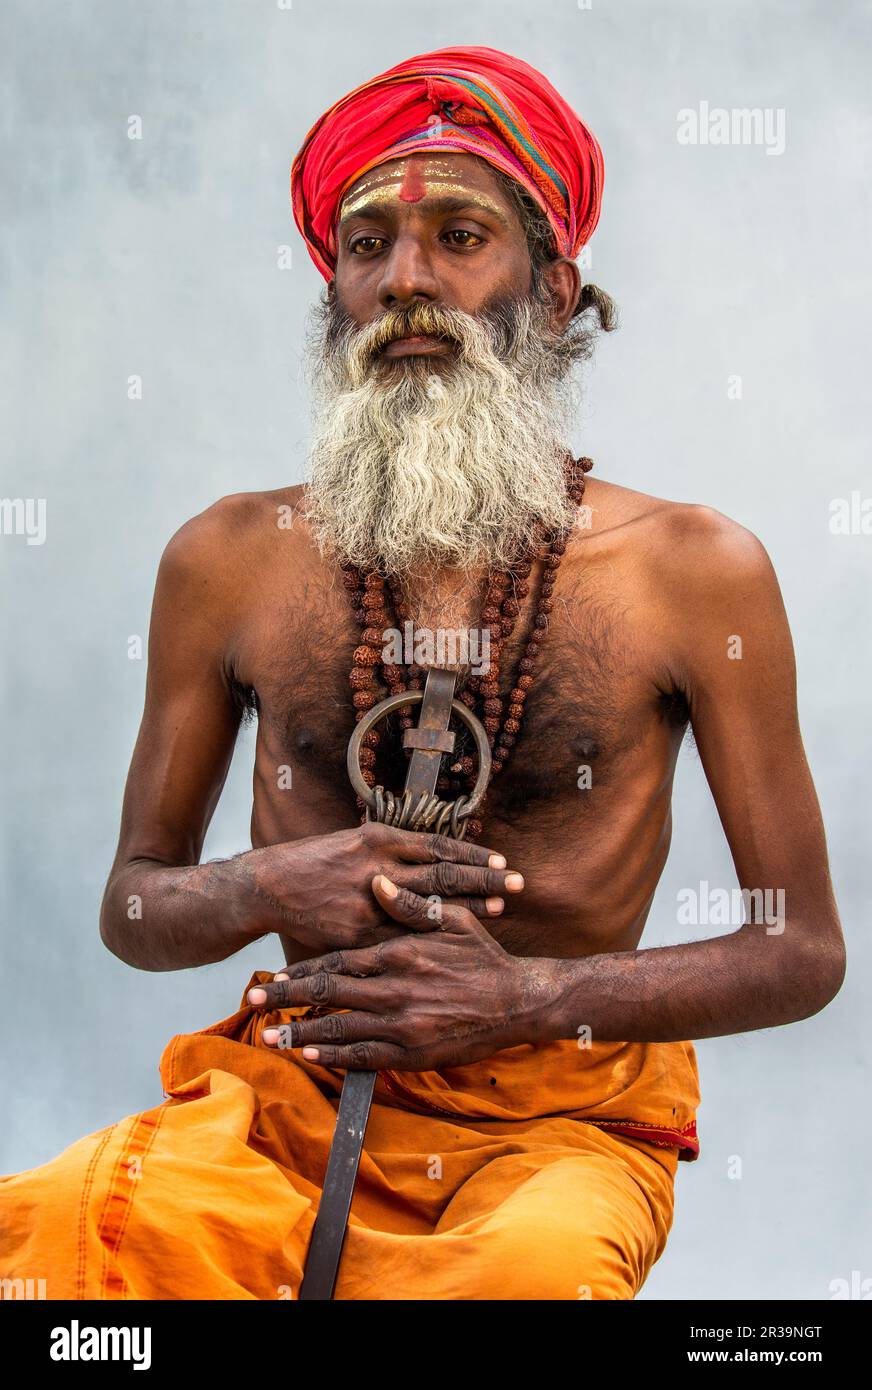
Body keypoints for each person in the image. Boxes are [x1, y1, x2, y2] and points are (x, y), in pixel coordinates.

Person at [0, 45, 844, 1301]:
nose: (405, 281)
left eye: (459, 237)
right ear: (331, 295)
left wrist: (526, 999)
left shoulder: (692, 570)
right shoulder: (226, 560)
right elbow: (134, 908)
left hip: (554, 1123)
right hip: (283, 1092)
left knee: (531, 1273)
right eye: (365, 246)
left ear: (552, 294)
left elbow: (803, 951)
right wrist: (274, 879)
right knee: (59, 1231)